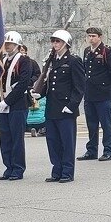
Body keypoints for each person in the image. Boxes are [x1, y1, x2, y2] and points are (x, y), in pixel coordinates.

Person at [36, 30, 85, 183]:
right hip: (52, 107)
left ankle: (67, 172)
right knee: (53, 141)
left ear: (65, 43)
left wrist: (72, 105)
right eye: (53, 41)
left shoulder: (73, 61)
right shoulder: (51, 60)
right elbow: (48, 83)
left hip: (65, 108)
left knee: (67, 142)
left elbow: (79, 87)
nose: (55, 44)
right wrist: (39, 93)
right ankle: (56, 170)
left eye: (58, 41)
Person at [78, 27, 111, 162]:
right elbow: (85, 70)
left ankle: (108, 150)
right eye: (89, 36)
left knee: (105, 124)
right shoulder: (87, 51)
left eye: (93, 36)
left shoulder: (107, 51)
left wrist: (105, 82)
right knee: (91, 124)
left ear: (100, 37)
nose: (91, 39)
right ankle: (91, 150)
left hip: (103, 93)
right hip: (90, 93)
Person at [0, 31, 35, 181]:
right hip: (2, 102)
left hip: (17, 104)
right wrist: (2, 101)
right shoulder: (3, 60)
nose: (7, 46)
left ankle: (18, 168)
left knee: (16, 138)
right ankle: (9, 167)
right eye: (6, 43)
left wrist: (8, 101)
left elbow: (23, 83)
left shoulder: (24, 61)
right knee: (5, 137)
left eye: (11, 43)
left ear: (18, 45)